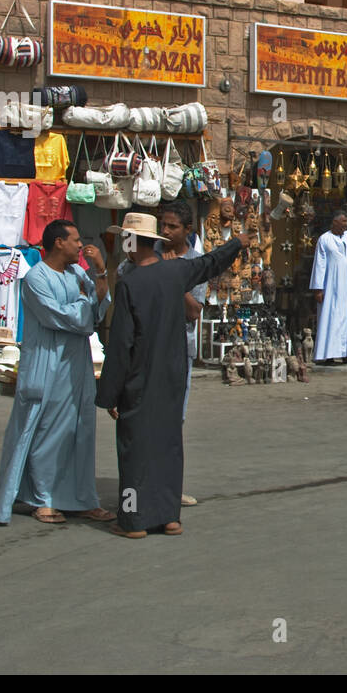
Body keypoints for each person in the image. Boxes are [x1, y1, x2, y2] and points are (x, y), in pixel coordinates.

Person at [96, 213, 241, 538]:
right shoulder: (176, 272)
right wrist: (236, 243)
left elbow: (121, 345)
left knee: (135, 449)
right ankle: (168, 517)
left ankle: (132, 520)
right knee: (168, 445)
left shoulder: (131, 284)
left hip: (139, 380)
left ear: (132, 244)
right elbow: (211, 263)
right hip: (172, 376)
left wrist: (110, 394)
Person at [0, 220, 113, 526]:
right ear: (58, 242)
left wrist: (100, 272)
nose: (79, 246)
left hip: (77, 363)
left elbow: (97, 308)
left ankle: (83, 498)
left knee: (80, 429)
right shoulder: (36, 278)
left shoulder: (76, 273)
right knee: (50, 429)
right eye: (74, 240)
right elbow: (61, 316)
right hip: (48, 362)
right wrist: (85, 303)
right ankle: (43, 497)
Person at [117, 201, 206, 506]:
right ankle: (144, 487)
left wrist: (172, 279)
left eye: (173, 227)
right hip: (145, 352)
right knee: (143, 419)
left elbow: (194, 312)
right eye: (163, 226)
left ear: (187, 231)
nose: (166, 231)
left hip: (180, 352)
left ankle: (168, 487)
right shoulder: (146, 258)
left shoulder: (194, 262)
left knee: (173, 420)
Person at [310, 210, 347, 365]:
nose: (346, 224)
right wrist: (318, 288)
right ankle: (329, 355)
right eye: (343, 221)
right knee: (331, 317)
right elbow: (319, 265)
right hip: (332, 286)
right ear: (334, 222)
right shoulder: (324, 240)